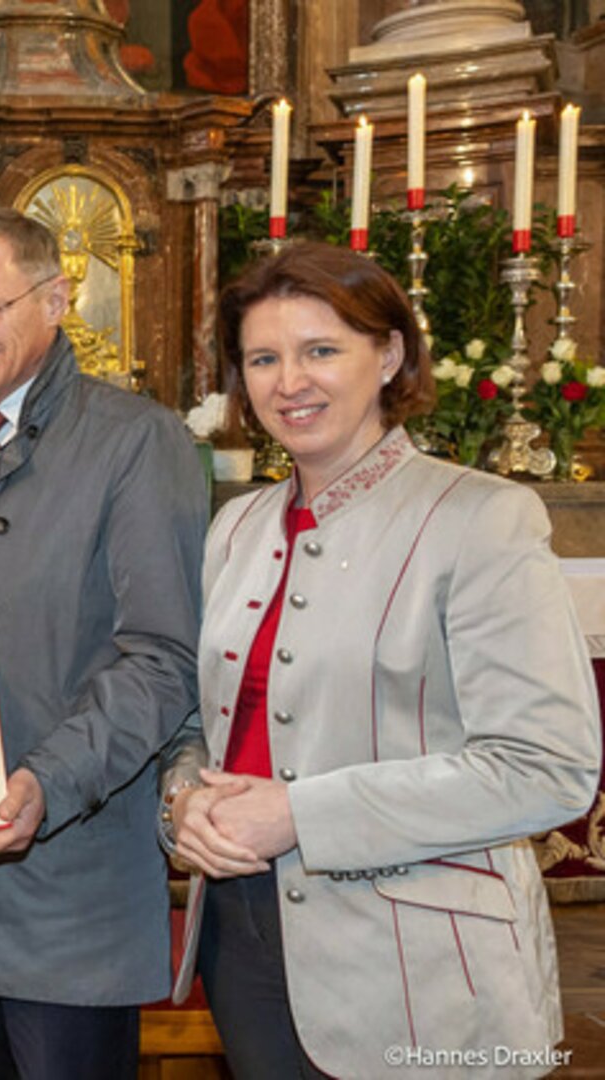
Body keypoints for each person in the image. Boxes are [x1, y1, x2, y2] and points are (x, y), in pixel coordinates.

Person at [161, 242, 601, 1077]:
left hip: (421, 957)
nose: (289, 381)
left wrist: (302, 813)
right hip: (246, 933)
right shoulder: (237, 527)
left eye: (321, 350)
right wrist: (182, 800)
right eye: (263, 358)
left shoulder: (482, 519)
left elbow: (549, 766)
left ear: (389, 353)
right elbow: (202, 722)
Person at [0, 205, 206, 1078]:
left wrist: (46, 784)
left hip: (65, 868)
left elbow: (164, 659)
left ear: (56, 299)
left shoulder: (135, 439)